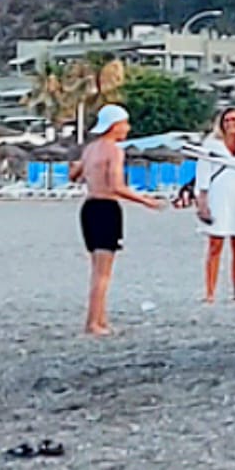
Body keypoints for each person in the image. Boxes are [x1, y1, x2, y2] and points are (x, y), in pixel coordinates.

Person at [71, 104, 164, 336]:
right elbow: (116, 186)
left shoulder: (90, 149)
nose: (128, 128)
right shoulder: (114, 150)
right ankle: (93, 322)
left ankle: (99, 319)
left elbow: (74, 175)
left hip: (89, 207)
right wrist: (146, 201)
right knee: (103, 272)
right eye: (125, 123)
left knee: (96, 269)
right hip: (106, 208)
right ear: (115, 125)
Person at [194, 106, 235, 303]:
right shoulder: (211, 144)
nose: (231, 124)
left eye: (234, 120)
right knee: (215, 244)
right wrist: (201, 200)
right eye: (227, 120)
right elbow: (203, 171)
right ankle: (210, 291)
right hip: (218, 195)